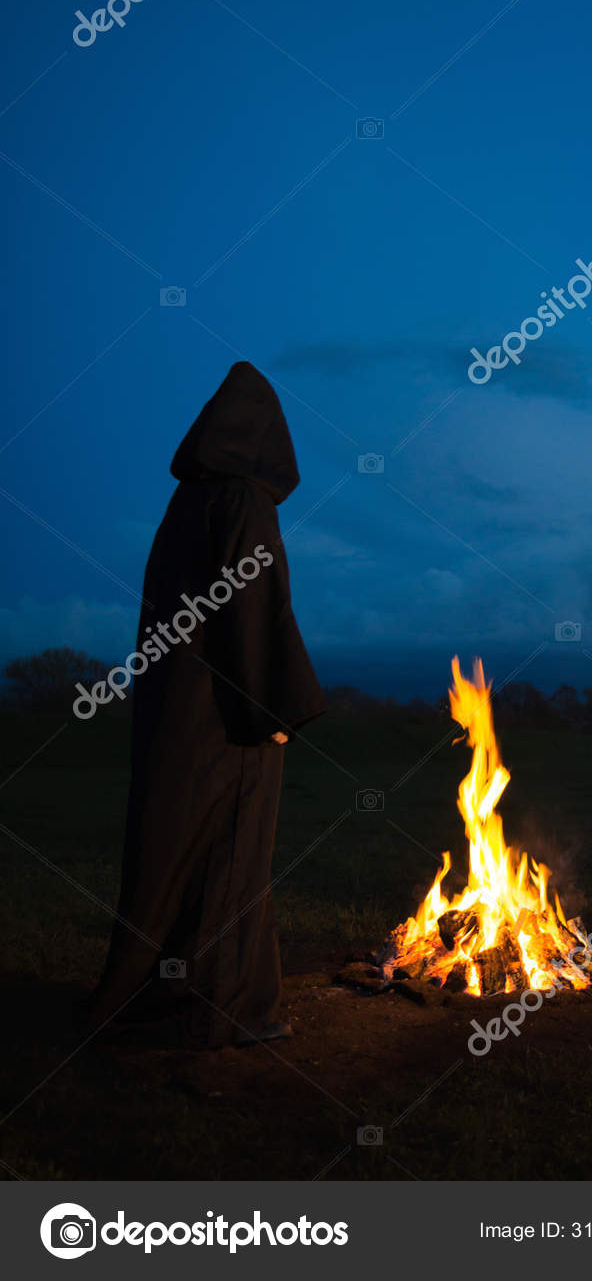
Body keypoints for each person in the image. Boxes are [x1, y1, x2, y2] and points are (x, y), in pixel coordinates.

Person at [86, 362, 326, 1046]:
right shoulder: (244, 502)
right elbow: (252, 612)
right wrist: (273, 710)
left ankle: (152, 995)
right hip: (227, 719)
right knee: (230, 855)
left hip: (177, 717)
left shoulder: (187, 503)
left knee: (174, 855)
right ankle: (223, 1007)